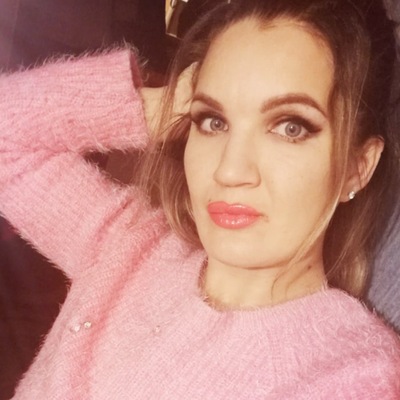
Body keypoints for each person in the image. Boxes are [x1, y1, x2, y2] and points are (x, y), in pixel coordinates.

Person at [0, 0, 399, 398]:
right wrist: (158, 107)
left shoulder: (355, 376)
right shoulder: (128, 245)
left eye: (290, 128)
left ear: (358, 166)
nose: (229, 170)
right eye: (213, 121)